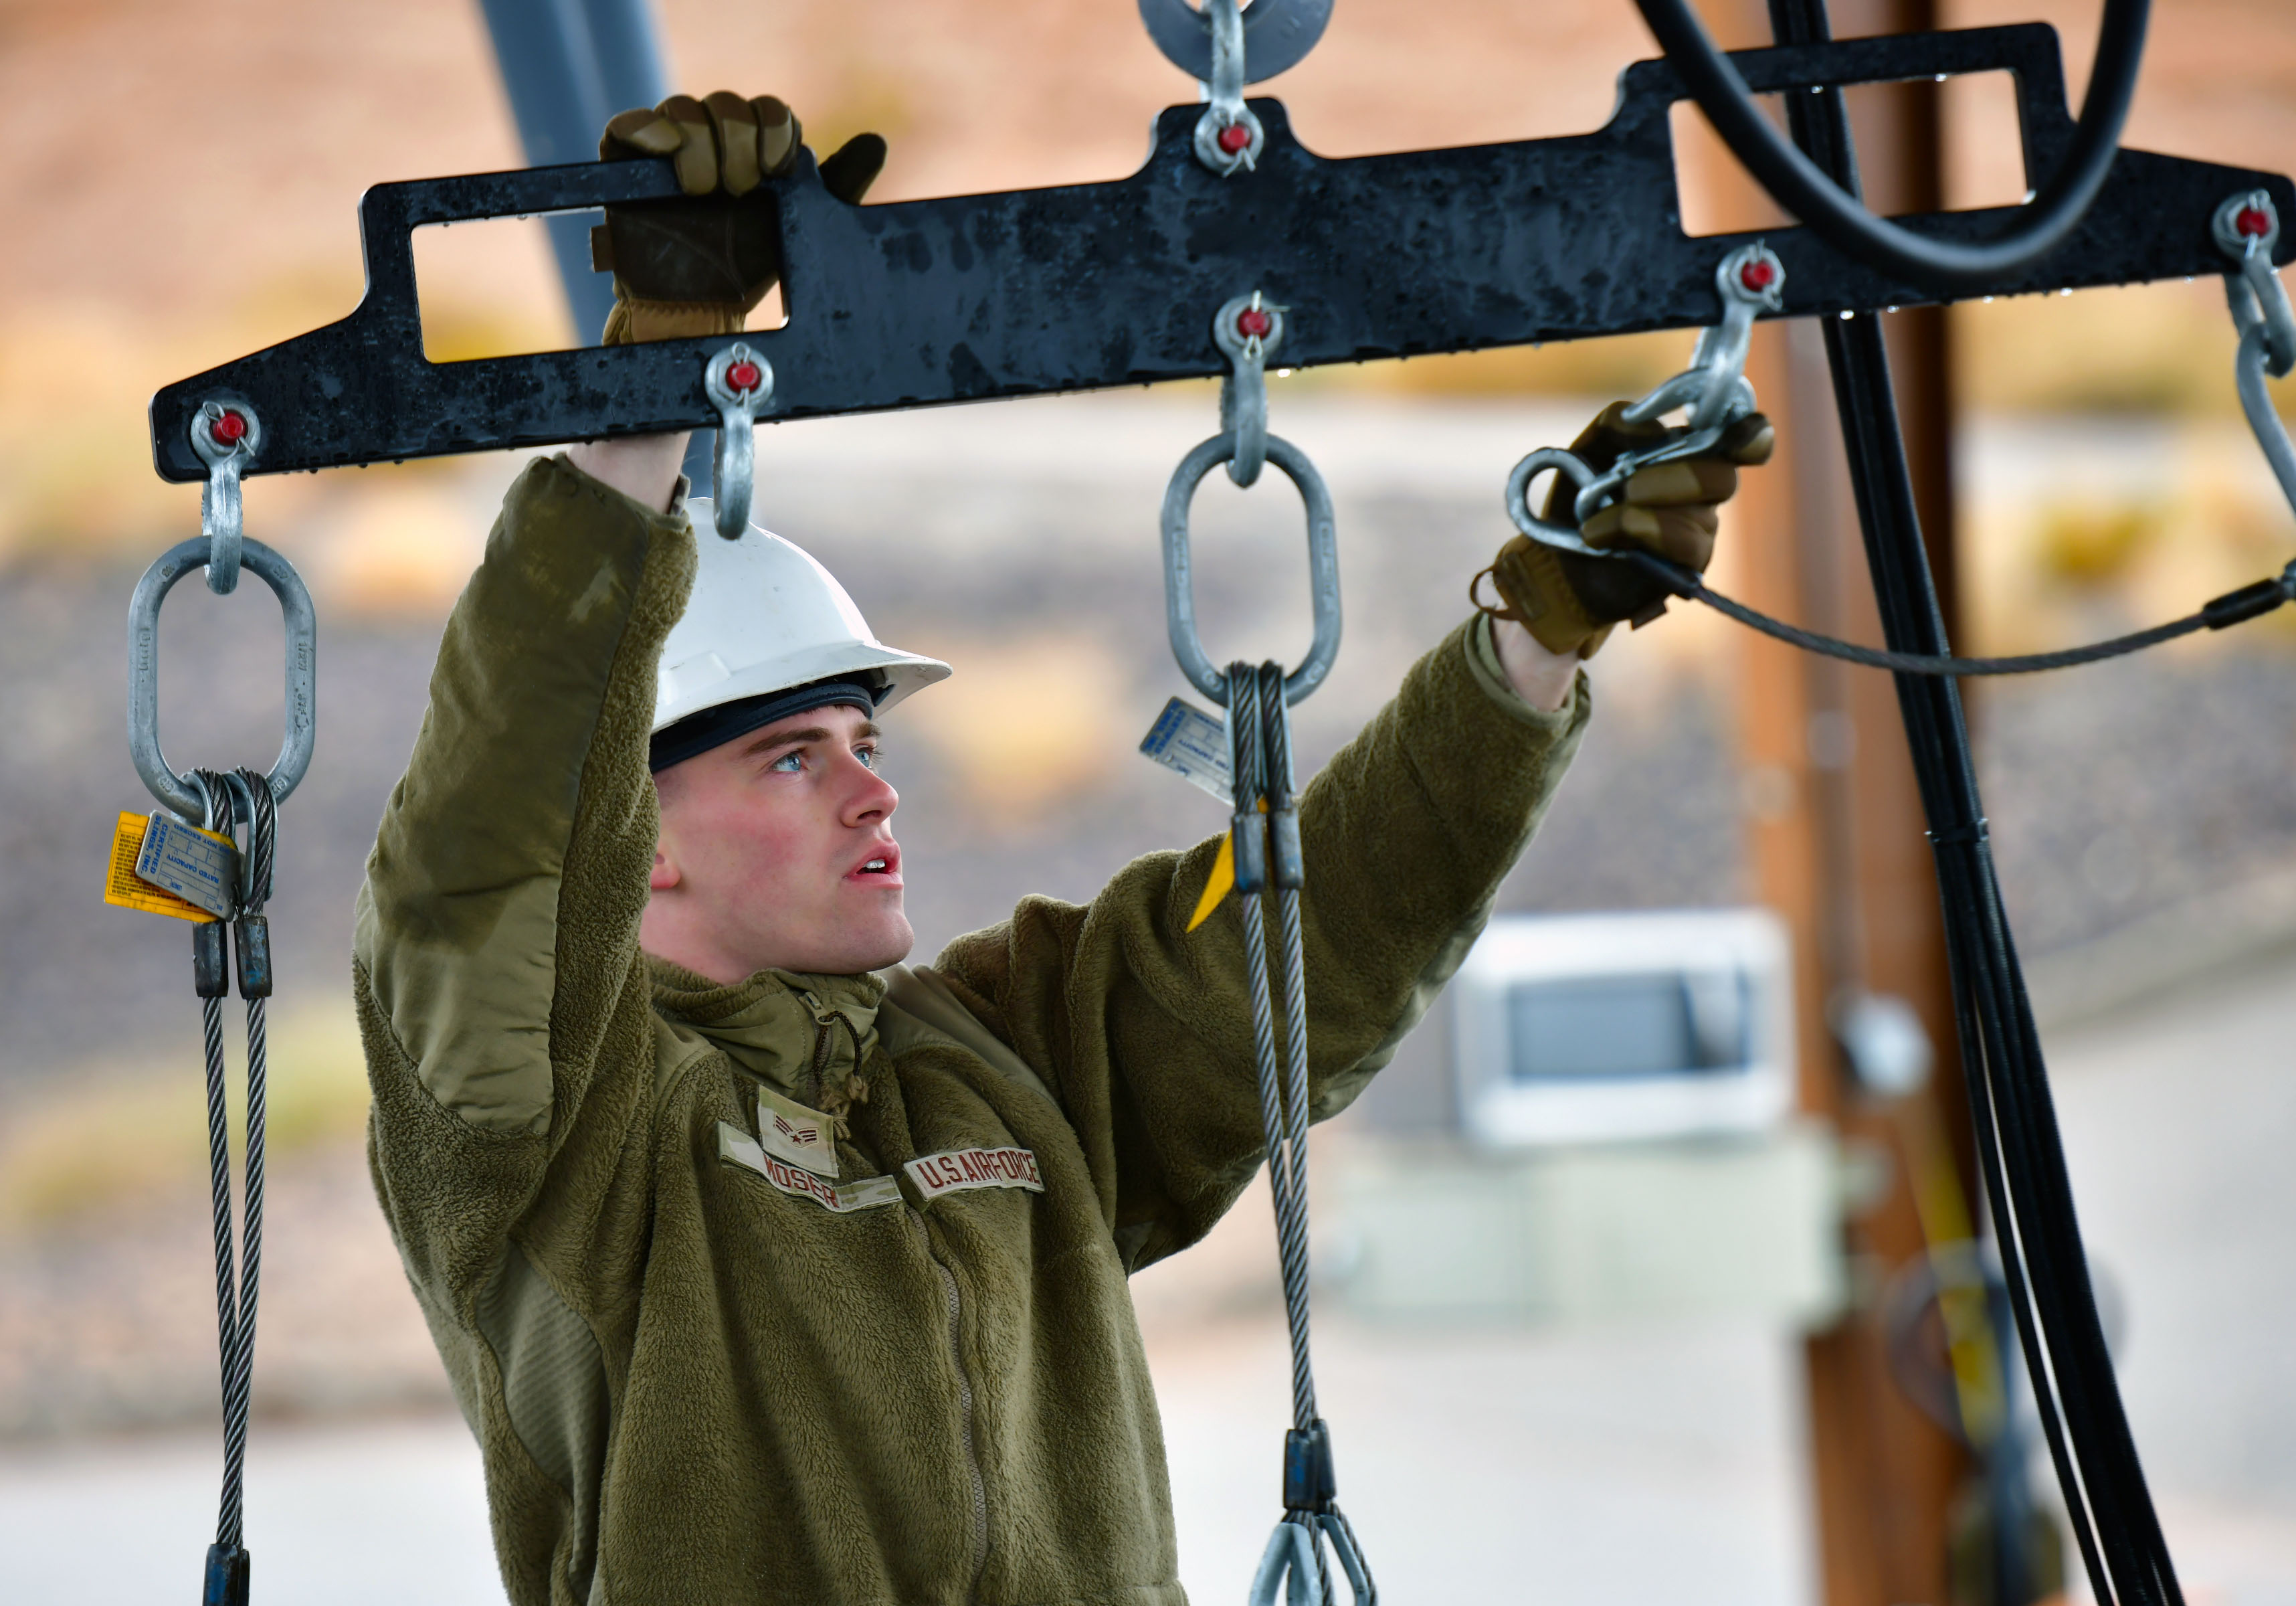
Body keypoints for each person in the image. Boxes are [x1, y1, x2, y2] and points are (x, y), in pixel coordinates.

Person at [354, 93, 1772, 1606]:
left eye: (867, 745)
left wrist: (1530, 643)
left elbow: (1309, 938)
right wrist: (653, 376)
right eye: (790, 756)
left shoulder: (996, 1057)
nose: (873, 795)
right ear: (631, 839)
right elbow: (491, 844)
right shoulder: (557, 1136)